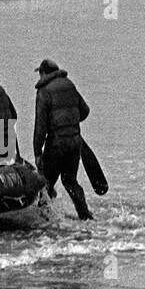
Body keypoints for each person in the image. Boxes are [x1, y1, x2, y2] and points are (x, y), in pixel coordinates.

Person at [33, 58, 93, 220]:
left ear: (44, 73)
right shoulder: (70, 85)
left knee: (45, 184)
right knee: (70, 181)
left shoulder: (43, 92)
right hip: (75, 142)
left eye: (40, 73)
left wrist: (37, 152)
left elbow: (40, 126)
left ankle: (42, 218)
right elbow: (85, 111)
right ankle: (85, 216)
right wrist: (69, 123)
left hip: (56, 144)